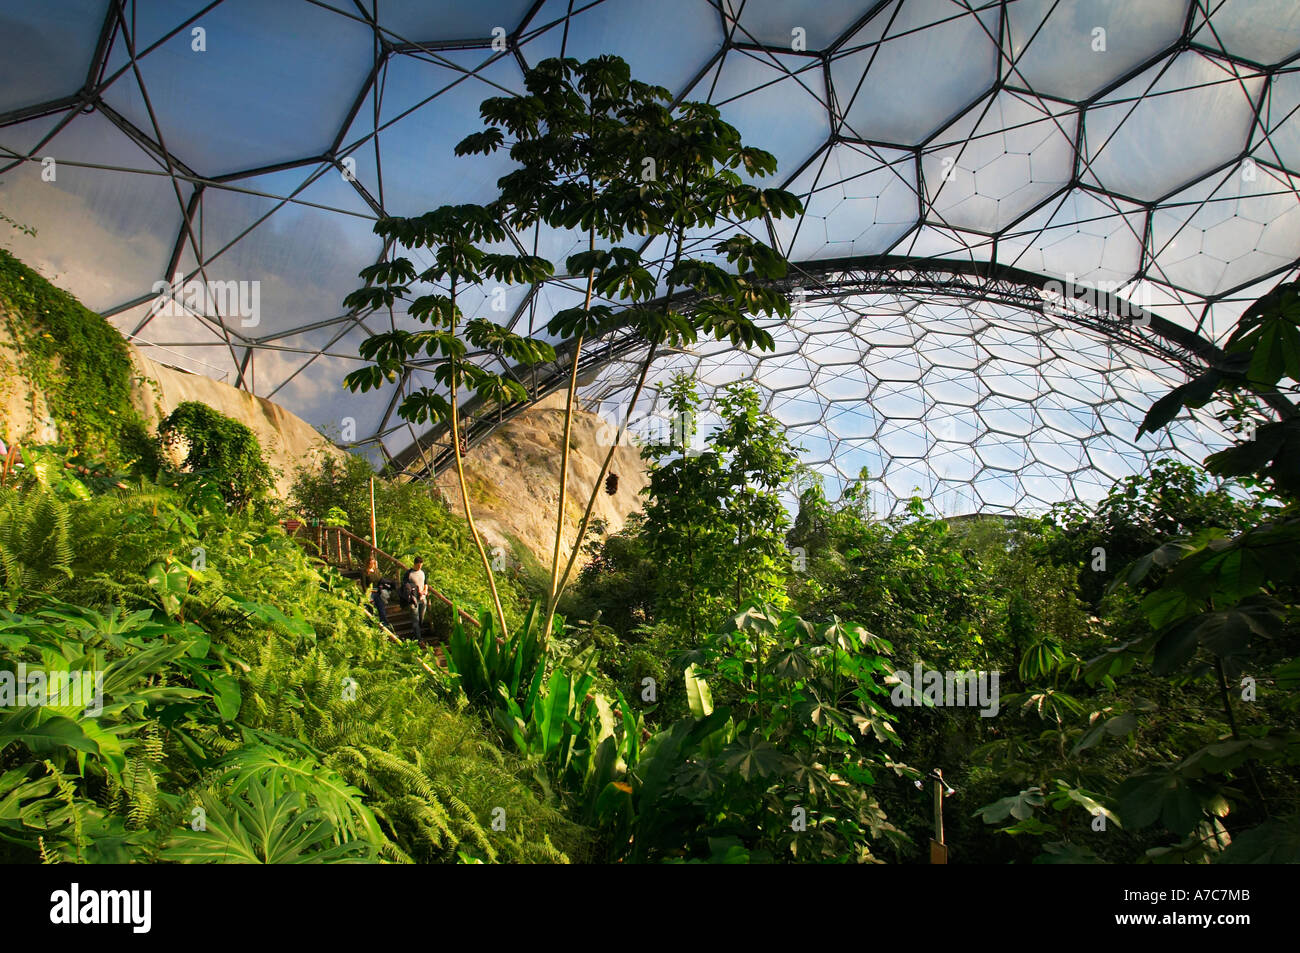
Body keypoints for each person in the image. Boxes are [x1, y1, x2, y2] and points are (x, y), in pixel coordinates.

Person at [403, 557, 429, 640]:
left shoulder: (423, 572)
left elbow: (426, 583)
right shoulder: (409, 574)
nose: (419, 567)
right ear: (414, 564)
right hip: (413, 600)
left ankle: (416, 634)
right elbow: (406, 587)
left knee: (421, 618)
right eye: (418, 565)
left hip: (422, 598)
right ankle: (419, 638)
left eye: (421, 565)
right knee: (415, 619)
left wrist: (425, 590)